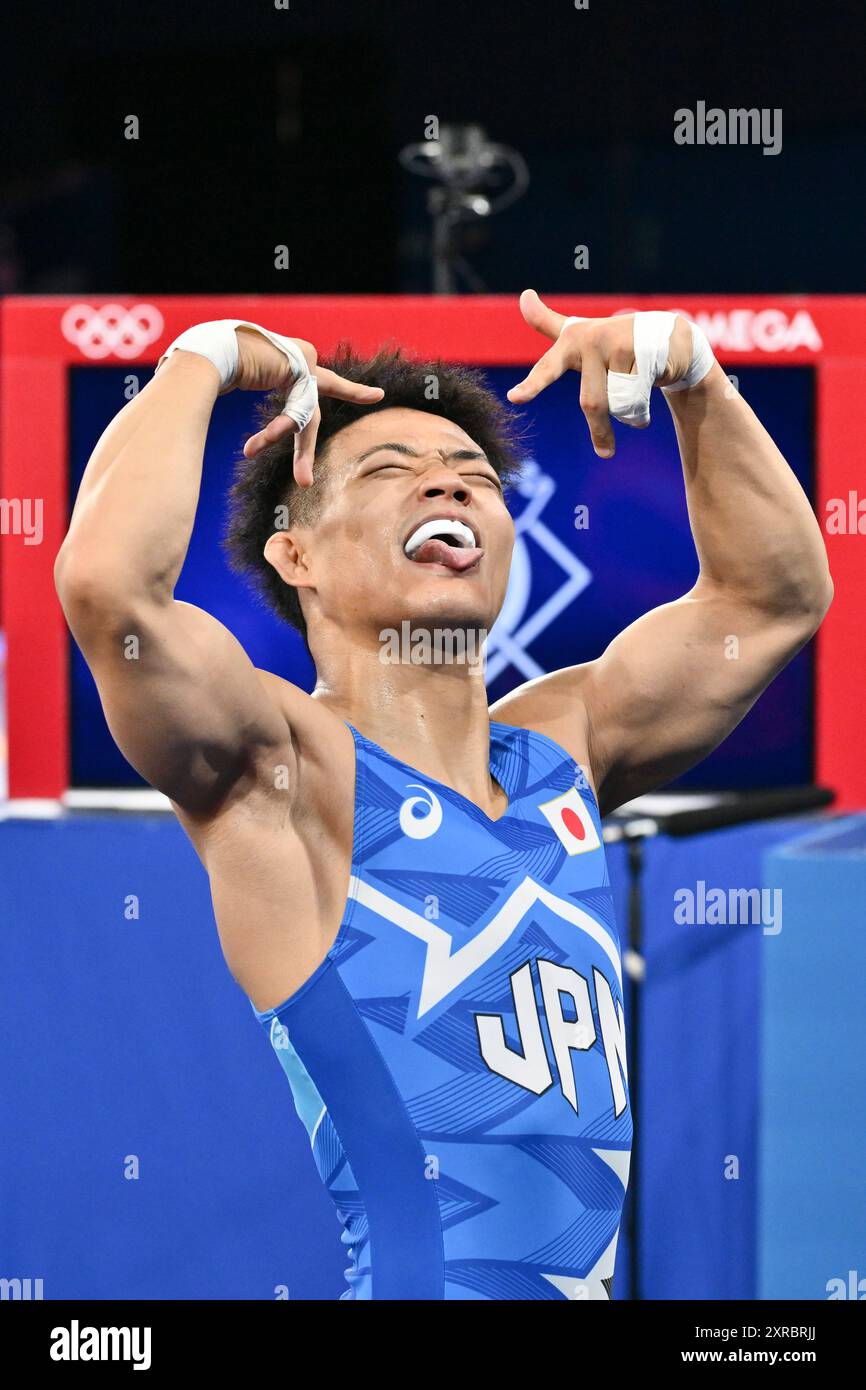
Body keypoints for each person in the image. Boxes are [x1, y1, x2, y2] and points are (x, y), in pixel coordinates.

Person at [54, 291, 832, 1300]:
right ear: (296, 554)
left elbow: (771, 599)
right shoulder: (280, 768)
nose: (450, 489)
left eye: (473, 478)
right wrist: (195, 362)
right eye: (392, 471)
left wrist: (694, 376)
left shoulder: (569, 746)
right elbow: (109, 592)